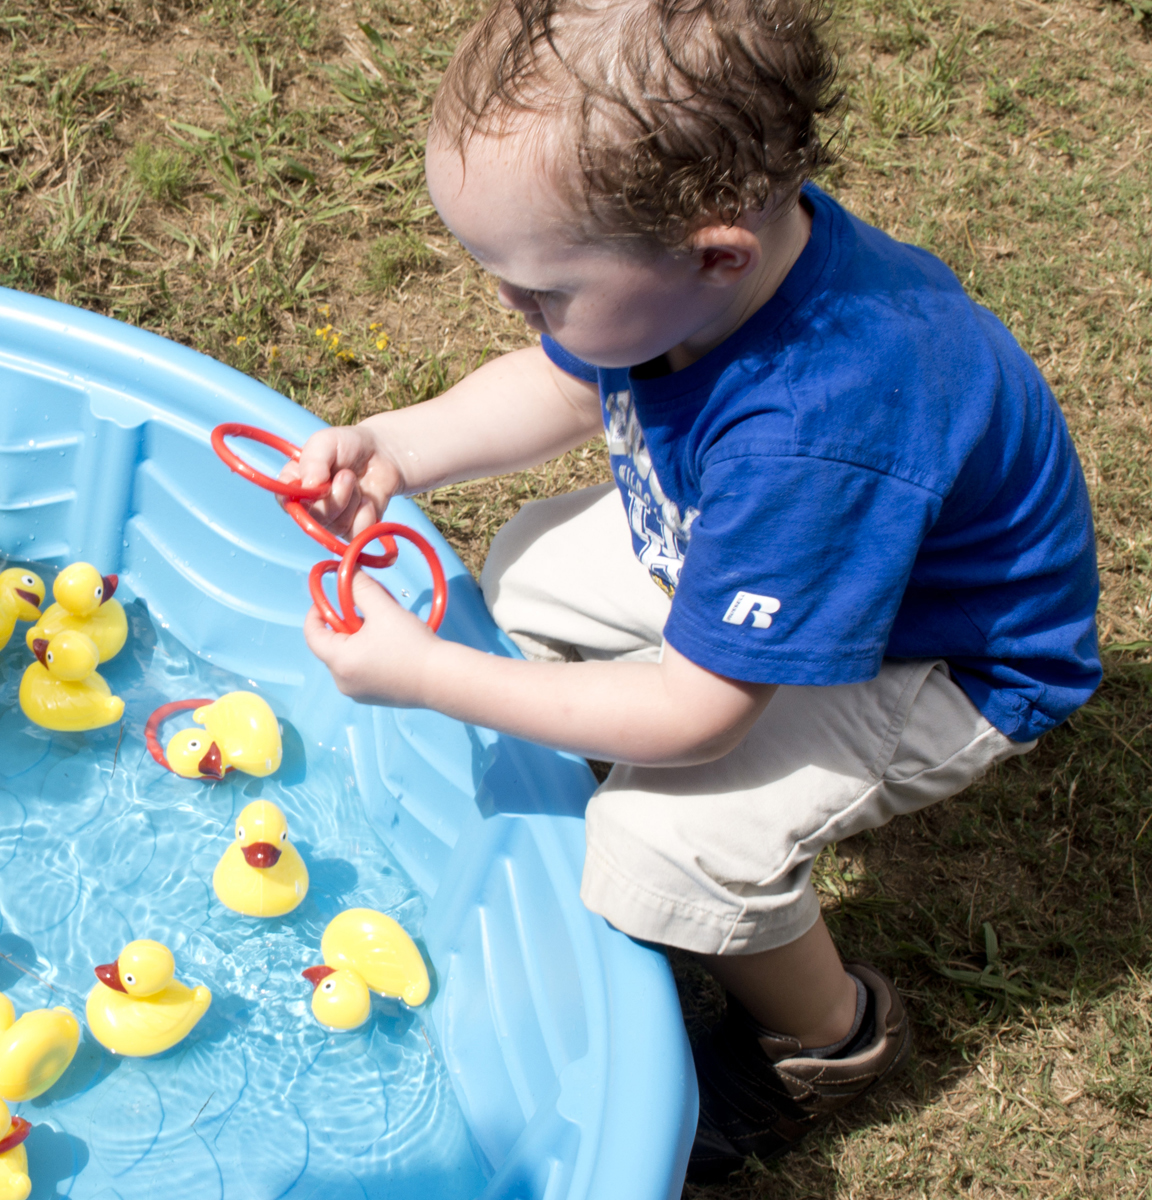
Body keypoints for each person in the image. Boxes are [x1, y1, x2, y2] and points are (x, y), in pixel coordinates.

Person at [288, 0, 1101, 1179]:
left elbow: (697, 713)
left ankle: (830, 1039)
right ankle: (570, 763)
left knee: (662, 841)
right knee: (526, 572)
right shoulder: (685, 282)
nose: (516, 310)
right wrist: (399, 447)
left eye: (539, 293)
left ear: (714, 252)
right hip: (795, 560)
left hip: (942, 660)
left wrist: (427, 676)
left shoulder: (816, 428)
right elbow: (566, 387)